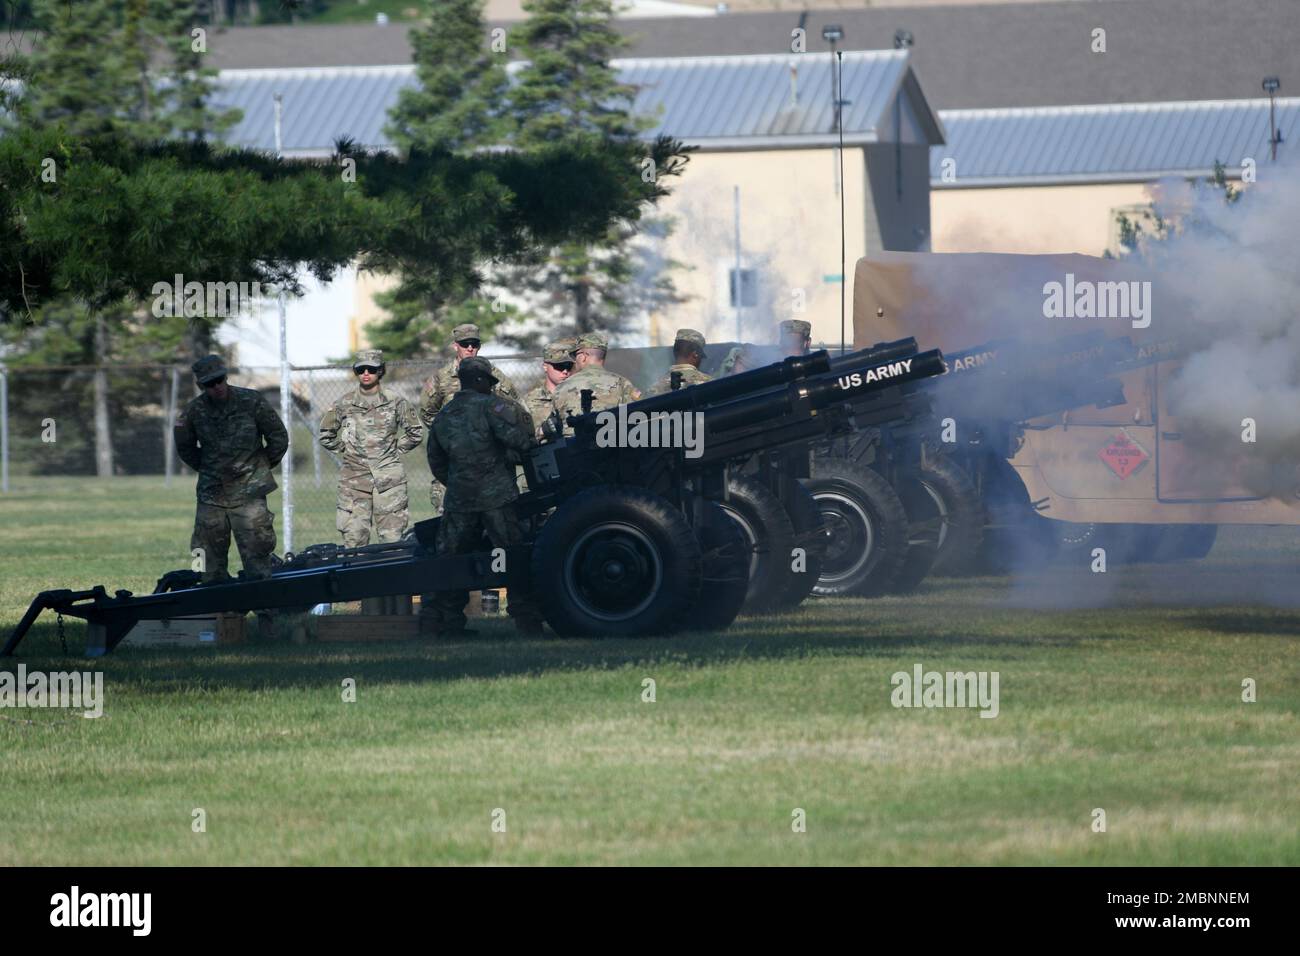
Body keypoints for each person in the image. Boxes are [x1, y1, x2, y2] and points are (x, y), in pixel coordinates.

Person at [424, 357, 543, 637]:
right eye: (488, 383)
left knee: (452, 559)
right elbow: (519, 441)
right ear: (479, 381)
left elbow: (436, 459)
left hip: (458, 501)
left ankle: (447, 622)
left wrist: (457, 482)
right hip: (497, 498)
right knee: (512, 555)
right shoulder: (491, 407)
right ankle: (527, 622)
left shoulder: (445, 414)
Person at [173, 354, 288, 584]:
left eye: (219, 380)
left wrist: (259, 468)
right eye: (209, 384)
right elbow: (184, 447)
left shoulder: (252, 401)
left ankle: (266, 614)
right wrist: (208, 469)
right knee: (204, 556)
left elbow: (278, 438)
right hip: (212, 495)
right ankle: (214, 613)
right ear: (200, 386)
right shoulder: (193, 412)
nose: (216, 387)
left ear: (226, 377)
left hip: (249, 493)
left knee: (258, 554)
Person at [318, 349, 423, 547]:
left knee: (393, 542)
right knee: (354, 540)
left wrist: (393, 451)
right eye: (361, 369)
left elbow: (415, 432)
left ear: (381, 371)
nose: (366, 373)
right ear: (356, 372)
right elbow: (326, 434)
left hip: (389, 480)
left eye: (372, 369)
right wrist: (346, 449)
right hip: (354, 480)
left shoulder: (396, 401)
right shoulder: (344, 403)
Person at [419, 323, 520, 516]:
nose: (470, 348)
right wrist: (450, 435)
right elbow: (428, 412)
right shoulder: (442, 378)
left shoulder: (494, 375)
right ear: (455, 346)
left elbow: (512, 407)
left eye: (474, 344)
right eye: (465, 344)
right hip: (456, 462)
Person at [550, 331, 641, 433]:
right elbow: (636, 418)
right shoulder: (623, 383)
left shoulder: (561, 387)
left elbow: (554, 426)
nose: (574, 361)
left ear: (584, 356)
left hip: (574, 447)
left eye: (575, 356)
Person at [523, 338, 576, 435]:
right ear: (545, 367)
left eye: (569, 366)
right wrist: (543, 430)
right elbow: (522, 437)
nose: (565, 371)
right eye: (559, 366)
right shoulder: (529, 401)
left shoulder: (579, 395)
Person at [646, 329, 711, 396]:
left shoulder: (654, 388)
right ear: (695, 354)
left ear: (675, 352)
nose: (701, 360)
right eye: (701, 356)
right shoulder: (709, 384)